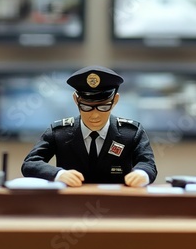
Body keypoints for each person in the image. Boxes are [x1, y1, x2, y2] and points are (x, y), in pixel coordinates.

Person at [21, 66, 157, 187]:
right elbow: (30, 164)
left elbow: (148, 163)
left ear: (115, 100)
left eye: (103, 107)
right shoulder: (59, 132)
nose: (95, 115)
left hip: (117, 204)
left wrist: (142, 173)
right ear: (76, 100)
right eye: (86, 107)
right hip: (71, 205)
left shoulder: (131, 132)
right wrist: (57, 174)